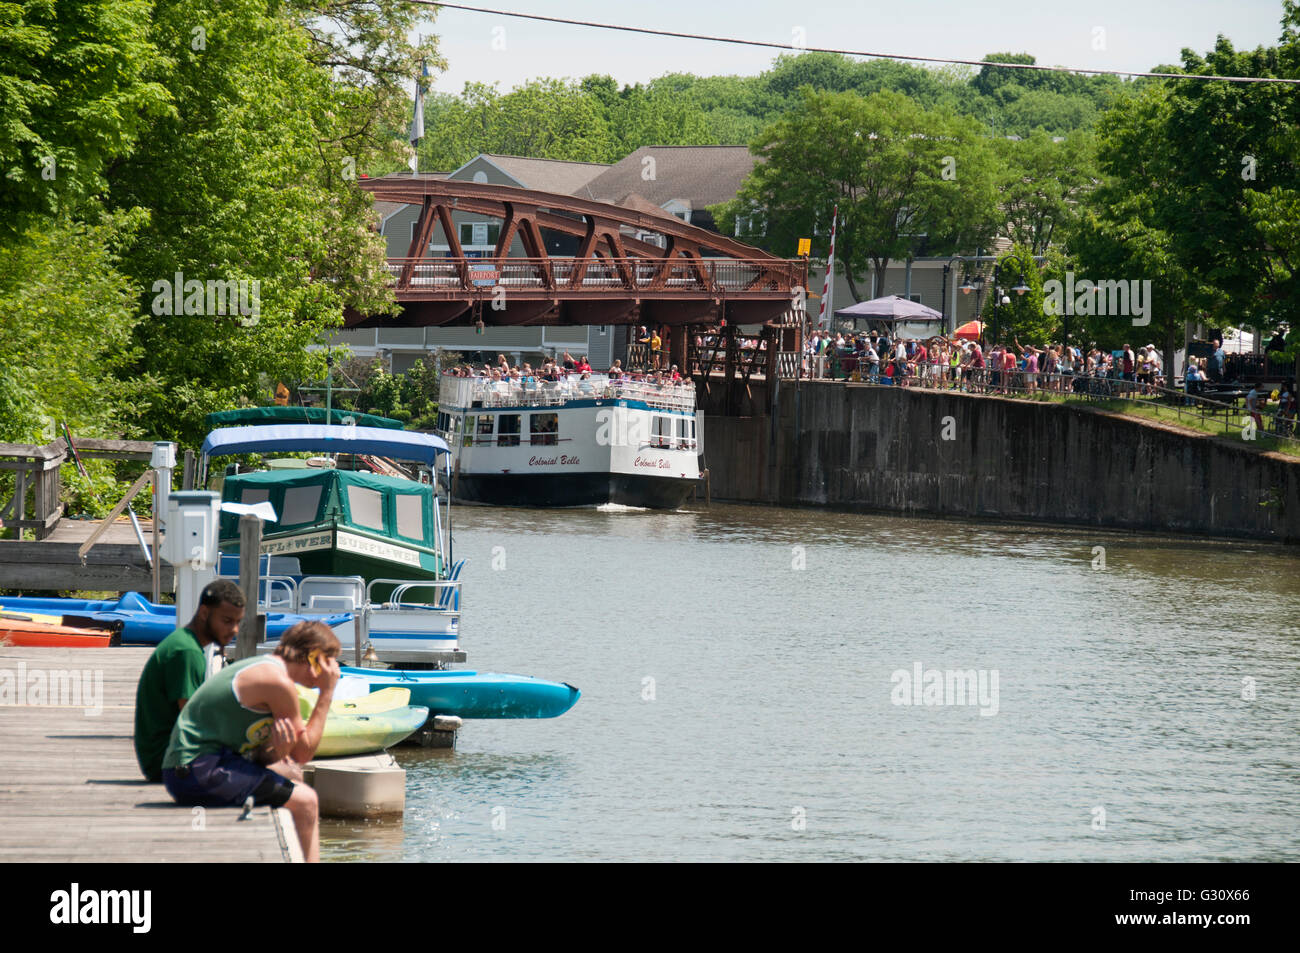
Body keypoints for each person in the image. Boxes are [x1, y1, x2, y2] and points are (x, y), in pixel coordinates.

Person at [161, 621, 342, 863]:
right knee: (307, 801)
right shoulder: (279, 683)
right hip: (197, 771)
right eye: (328, 662)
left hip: (189, 769)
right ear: (314, 658)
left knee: (293, 775)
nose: (332, 670)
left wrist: (277, 752)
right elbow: (304, 752)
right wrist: (327, 692)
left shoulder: (263, 667)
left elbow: (269, 755)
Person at [134, 579, 245, 783]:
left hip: (163, 755)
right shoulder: (187, 652)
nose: (235, 630)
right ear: (204, 613)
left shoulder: (184, 642)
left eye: (238, 622)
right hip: (167, 761)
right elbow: (193, 719)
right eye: (227, 621)